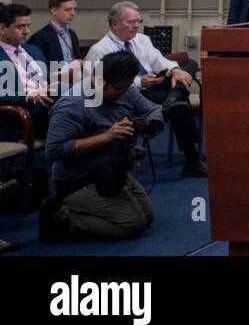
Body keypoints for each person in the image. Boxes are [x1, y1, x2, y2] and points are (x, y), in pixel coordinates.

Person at [40, 50, 163, 242]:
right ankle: (63, 217)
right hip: (77, 179)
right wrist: (107, 136)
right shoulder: (72, 103)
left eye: (127, 87)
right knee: (133, 224)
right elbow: (54, 151)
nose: (124, 93)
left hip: (110, 169)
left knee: (147, 217)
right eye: (120, 90)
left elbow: (153, 109)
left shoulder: (124, 89)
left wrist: (152, 125)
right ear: (103, 82)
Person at [85, 2, 205, 177]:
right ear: (115, 24)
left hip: (155, 84)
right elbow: (105, 86)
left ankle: (172, 100)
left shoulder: (142, 40)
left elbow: (160, 61)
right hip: (132, 94)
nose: (136, 26)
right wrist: (141, 82)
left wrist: (175, 70)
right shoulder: (100, 50)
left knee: (189, 64)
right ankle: (192, 159)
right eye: (131, 22)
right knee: (181, 104)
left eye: (138, 21)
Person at [0, 3, 52, 139]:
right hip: (20, 111)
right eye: (20, 27)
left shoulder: (33, 50)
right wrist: (27, 96)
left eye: (28, 25)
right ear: (3, 28)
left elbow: (47, 80)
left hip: (47, 102)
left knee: (83, 94)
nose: (26, 31)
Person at [28, 0, 84, 89]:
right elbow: (38, 71)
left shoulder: (72, 34)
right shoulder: (40, 37)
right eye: (68, 10)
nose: (73, 13)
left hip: (76, 81)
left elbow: (77, 57)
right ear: (54, 11)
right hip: (55, 85)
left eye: (74, 9)